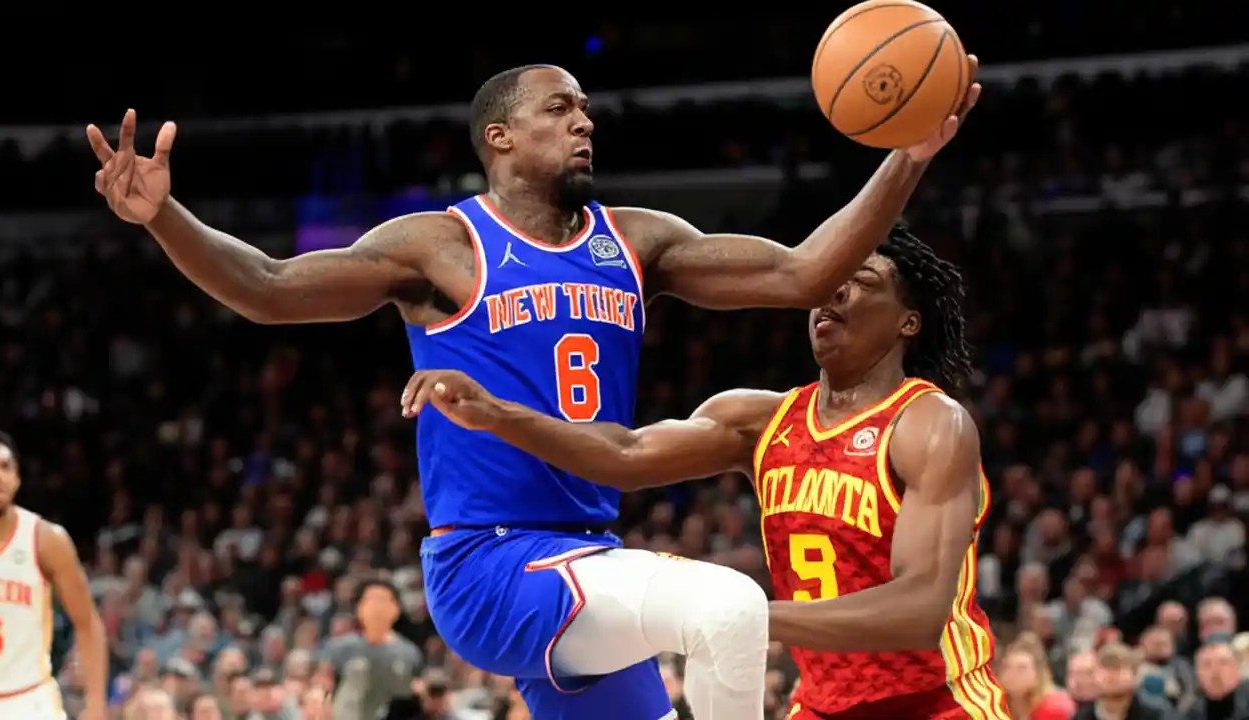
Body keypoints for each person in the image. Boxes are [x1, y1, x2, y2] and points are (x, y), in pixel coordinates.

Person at [87, 62, 980, 719]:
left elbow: (798, 272)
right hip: (491, 562)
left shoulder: (639, 240)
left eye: (589, 109)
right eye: (561, 109)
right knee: (725, 607)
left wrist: (904, 158)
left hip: (588, 561)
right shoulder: (441, 246)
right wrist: (163, 215)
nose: (585, 122)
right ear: (501, 137)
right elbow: (270, 289)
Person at [405, 224, 1011, 719]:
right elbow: (624, 454)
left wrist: (729, 616)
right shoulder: (757, 421)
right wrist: (497, 414)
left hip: (940, 703)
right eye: (831, 279)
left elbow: (919, 611)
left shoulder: (930, 422)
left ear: (909, 322)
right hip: (821, 705)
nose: (834, 293)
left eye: (863, 281)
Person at [0, 428, 109, 720]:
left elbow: (88, 625)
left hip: (28, 701)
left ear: (17, 479)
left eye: (6, 466)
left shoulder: (47, 540)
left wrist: (96, 706)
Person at [321, 576, 423, 719]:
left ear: (396, 609)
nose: (377, 608)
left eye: (383, 601)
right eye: (370, 601)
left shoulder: (409, 653)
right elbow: (323, 688)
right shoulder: (339, 648)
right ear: (359, 608)